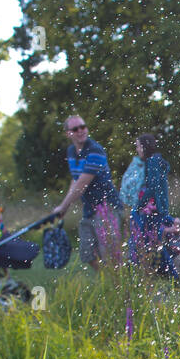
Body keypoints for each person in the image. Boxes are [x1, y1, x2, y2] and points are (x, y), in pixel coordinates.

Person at [54, 115, 123, 269]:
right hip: (89, 210)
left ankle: (119, 287)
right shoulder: (71, 152)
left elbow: (82, 184)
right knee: (88, 253)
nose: (81, 131)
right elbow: (75, 180)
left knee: (111, 255)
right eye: (75, 129)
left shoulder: (95, 150)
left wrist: (64, 206)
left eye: (83, 127)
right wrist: (63, 207)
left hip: (107, 207)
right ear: (68, 133)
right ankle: (107, 283)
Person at [130, 133, 170, 265]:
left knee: (151, 240)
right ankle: (169, 274)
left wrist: (139, 205)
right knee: (154, 241)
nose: (137, 150)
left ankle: (172, 275)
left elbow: (152, 187)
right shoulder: (156, 161)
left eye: (138, 146)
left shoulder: (152, 161)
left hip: (155, 209)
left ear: (144, 147)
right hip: (160, 208)